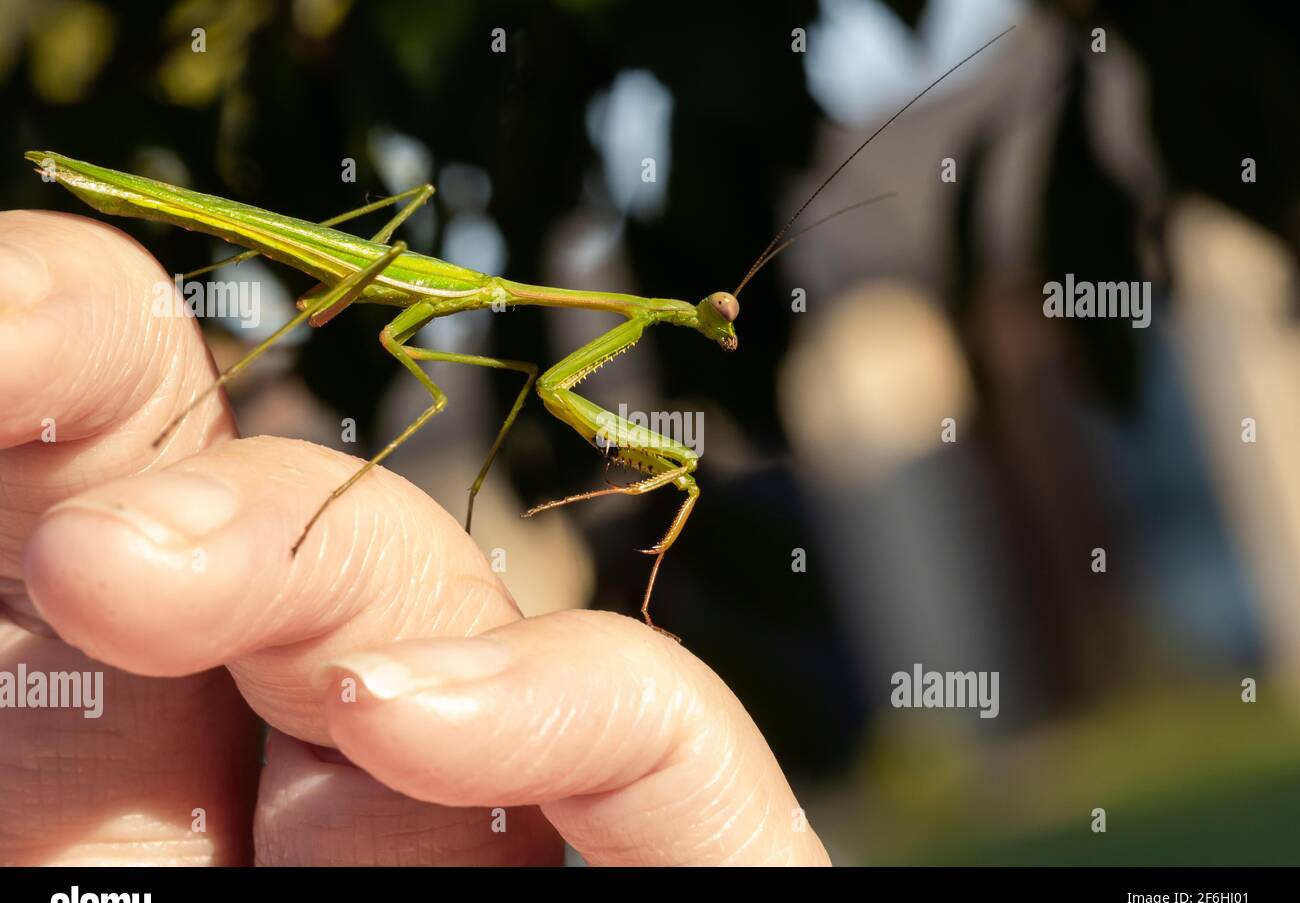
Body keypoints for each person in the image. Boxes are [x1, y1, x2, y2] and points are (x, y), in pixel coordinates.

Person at [0, 210, 830, 866]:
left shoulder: (564, 334)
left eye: (722, 320)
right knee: (434, 388)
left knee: (516, 387)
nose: (722, 327)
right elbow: (555, 389)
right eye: (719, 315)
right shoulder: (535, 307)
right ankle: (206, 386)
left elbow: (549, 389)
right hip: (349, 265)